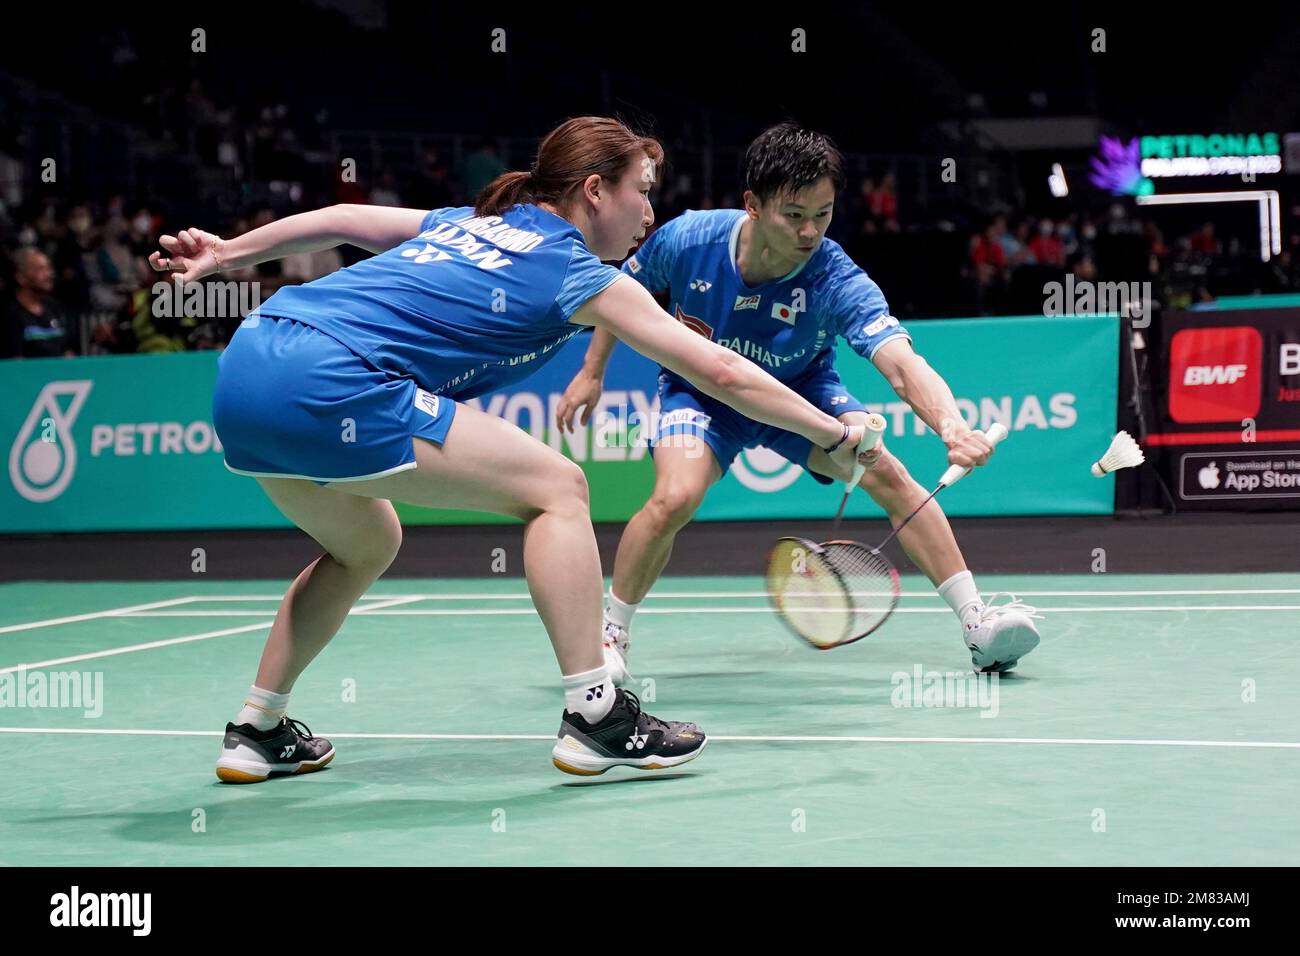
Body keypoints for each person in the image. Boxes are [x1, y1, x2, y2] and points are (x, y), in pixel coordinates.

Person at [150, 116, 873, 783]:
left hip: (248, 370)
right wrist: (830, 431)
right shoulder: (577, 271)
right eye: (641, 193)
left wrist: (225, 255)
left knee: (365, 544)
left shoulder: (473, 222)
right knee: (558, 488)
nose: (650, 214)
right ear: (595, 191)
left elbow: (342, 221)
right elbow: (718, 369)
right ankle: (594, 713)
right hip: (333, 377)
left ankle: (257, 727)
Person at [555, 123, 1042, 687]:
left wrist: (952, 427)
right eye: (794, 215)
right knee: (673, 497)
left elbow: (902, 363)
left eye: (824, 214)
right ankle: (610, 634)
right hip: (702, 393)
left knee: (891, 476)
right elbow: (620, 299)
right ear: (753, 205)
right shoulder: (688, 241)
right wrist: (591, 372)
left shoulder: (836, 278)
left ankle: (977, 623)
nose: (810, 231)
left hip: (801, 395)